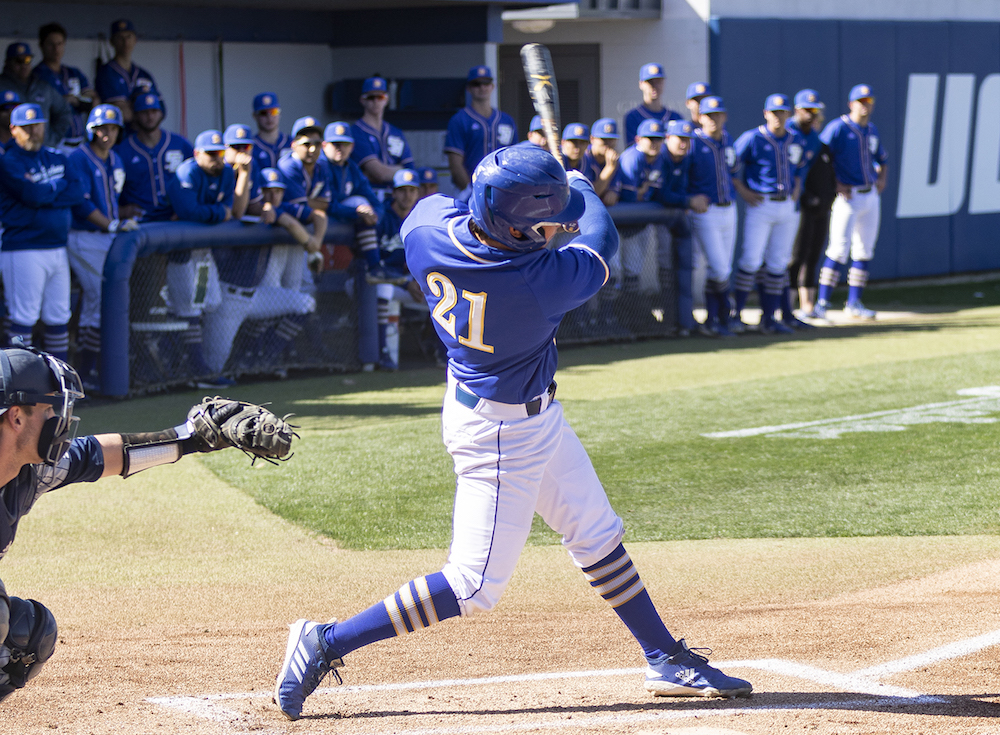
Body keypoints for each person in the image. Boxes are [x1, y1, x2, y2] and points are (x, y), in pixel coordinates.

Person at [273, 144, 752, 721]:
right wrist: (583, 189)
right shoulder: (536, 283)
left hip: (513, 406)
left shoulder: (427, 227)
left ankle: (663, 655)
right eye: (540, 220)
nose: (549, 226)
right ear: (516, 226)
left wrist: (544, 188)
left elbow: (458, 205)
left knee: (596, 533)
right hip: (500, 433)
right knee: (474, 586)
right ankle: (325, 641)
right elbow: (600, 242)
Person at [0, 344, 292, 702]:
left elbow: (105, 454)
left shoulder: (31, 471)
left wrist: (192, 437)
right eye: (51, 410)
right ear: (16, 417)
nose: (61, 421)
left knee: (28, 634)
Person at [201, 168, 317, 375]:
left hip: (255, 296)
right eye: (266, 192)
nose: (272, 197)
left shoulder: (274, 212)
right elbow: (242, 212)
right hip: (227, 297)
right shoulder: (234, 213)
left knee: (306, 304)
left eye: (278, 191)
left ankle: (264, 356)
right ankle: (238, 362)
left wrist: (312, 243)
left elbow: (297, 220)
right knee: (214, 367)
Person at [0, 103, 84, 359]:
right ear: (14, 129)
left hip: (57, 248)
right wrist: (57, 188)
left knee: (58, 316)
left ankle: (58, 386)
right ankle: (17, 387)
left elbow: (77, 191)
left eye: (37, 125)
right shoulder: (8, 160)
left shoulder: (55, 156)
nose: (34, 131)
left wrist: (47, 192)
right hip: (24, 248)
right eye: (26, 127)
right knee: (23, 318)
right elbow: (32, 194)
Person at [66, 104, 135, 389]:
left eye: (113, 128)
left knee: (101, 300)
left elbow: (114, 198)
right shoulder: (78, 158)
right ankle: (85, 371)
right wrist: (110, 224)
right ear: (92, 130)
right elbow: (80, 204)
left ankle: (89, 370)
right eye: (102, 129)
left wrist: (117, 222)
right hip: (84, 236)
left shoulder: (116, 159)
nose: (107, 134)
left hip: (107, 234)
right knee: (99, 298)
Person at [810, 84, 888, 321]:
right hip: (847, 196)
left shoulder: (871, 130)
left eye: (868, 101)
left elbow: (883, 158)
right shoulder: (838, 128)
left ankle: (854, 302)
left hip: (869, 193)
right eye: (861, 101)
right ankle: (822, 303)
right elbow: (820, 157)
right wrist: (835, 183)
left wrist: (882, 178)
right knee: (838, 249)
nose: (865, 105)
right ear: (851, 103)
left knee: (864, 250)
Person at [164, 129, 234, 386]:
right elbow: (188, 212)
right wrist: (218, 213)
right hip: (176, 251)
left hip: (202, 250)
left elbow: (229, 208)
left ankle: (192, 364)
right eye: (211, 154)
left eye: (221, 153)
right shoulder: (187, 172)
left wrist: (212, 212)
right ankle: (195, 368)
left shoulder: (227, 172)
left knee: (210, 300)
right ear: (197, 154)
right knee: (187, 306)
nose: (217, 159)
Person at [731, 94, 806, 334]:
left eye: (782, 112)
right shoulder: (752, 137)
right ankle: (736, 314)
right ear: (766, 113)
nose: (778, 116)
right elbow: (729, 165)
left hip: (786, 204)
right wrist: (743, 189)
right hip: (760, 204)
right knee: (751, 259)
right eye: (774, 112)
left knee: (778, 262)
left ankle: (769, 318)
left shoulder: (794, 139)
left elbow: (800, 167)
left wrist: (797, 185)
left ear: (788, 114)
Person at [687, 95, 739, 337]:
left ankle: (713, 319)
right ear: (700, 117)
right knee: (719, 268)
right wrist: (689, 199)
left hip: (729, 208)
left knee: (722, 267)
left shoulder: (728, 139)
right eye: (709, 115)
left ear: (725, 116)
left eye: (717, 114)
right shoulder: (694, 142)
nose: (714, 119)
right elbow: (682, 176)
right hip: (705, 211)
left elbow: (735, 170)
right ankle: (723, 315)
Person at [652, 119, 708, 336]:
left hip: (677, 217)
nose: (684, 144)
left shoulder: (685, 160)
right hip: (657, 217)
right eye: (679, 139)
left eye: (687, 140)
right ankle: (670, 317)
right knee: (665, 263)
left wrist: (688, 200)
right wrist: (687, 201)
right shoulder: (661, 158)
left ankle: (684, 317)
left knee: (686, 263)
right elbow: (660, 193)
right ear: (668, 139)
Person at [371, 168, 425, 371]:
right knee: (383, 291)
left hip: (410, 285)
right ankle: (381, 353)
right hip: (373, 283)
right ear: (393, 193)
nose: (407, 195)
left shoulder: (421, 220)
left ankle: (444, 354)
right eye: (402, 190)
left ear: (418, 193)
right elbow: (374, 268)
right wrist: (405, 282)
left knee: (446, 297)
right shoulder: (381, 218)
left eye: (412, 190)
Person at [787, 90, 835, 317]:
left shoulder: (816, 141)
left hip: (812, 204)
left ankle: (807, 307)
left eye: (815, 111)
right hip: (788, 204)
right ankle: (783, 307)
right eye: (808, 110)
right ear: (797, 110)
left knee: (812, 253)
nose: (812, 115)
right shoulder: (787, 133)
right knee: (793, 256)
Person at [114, 92, 193, 223]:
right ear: (136, 115)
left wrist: (188, 208)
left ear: (161, 113)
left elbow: (198, 178)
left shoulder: (180, 144)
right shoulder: (122, 149)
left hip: (175, 218)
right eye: (144, 112)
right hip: (140, 220)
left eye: (154, 111)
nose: (150, 116)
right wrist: (122, 210)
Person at [443, 65, 517, 198]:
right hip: (469, 191)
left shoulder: (507, 120)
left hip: (503, 191)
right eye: (476, 84)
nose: (482, 87)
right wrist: (470, 191)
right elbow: (455, 163)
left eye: (486, 83)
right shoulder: (459, 120)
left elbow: (514, 159)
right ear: (469, 88)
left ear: (492, 86)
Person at [322, 121, 382, 274]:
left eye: (344, 144)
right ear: (324, 145)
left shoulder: (351, 167)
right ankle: (374, 266)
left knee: (365, 205)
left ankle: (372, 268)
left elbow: (375, 203)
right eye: (335, 143)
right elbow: (327, 204)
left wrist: (374, 215)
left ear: (352, 146)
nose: (340, 148)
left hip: (344, 221)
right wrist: (356, 212)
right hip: (320, 222)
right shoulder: (320, 166)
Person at [278, 116, 330, 281]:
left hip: (304, 234)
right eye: (306, 144)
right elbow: (302, 204)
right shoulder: (287, 166)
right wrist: (313, 203)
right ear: (293, 145)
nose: (312, 149)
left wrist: (314, 245)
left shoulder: (322, 166)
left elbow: (325, 204)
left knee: (300, 285)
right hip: (278, 232)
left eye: (317, 144)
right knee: (276, 286)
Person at [33, 23, 98, 151]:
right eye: (51, 44)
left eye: (59, 44)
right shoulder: (37, 76)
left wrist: (76, 100)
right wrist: (62, 101)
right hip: (55, 143)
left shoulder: (73, 73)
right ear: (42, 46)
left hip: (80, 141)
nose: (56, 49)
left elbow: (94, 100)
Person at [349, 76, 414, 202]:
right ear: (363, 100)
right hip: (370, 196)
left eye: (380, 97)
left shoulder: (396, 132)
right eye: (371, 97)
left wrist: (399, 171)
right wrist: (399, 169)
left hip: (397, 198)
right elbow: (379, 173)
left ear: (387, 99)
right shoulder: (356, 131)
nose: (376, 101)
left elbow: (410, 171)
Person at [0, 43, 71, 149]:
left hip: (42, 149)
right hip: (9, 150)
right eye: (18, 61)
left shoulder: (42, 86)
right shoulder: (1, 86)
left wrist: (51, 138)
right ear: (8, 63)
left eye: (27, 60)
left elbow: (64, 111)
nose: (23, 65)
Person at [94, 19, 159, 127]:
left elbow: (160, 109)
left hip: (142, 137)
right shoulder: (106, 72)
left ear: (135, 39)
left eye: (129, 37)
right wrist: (144, 109)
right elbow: (125, 114)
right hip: (118, 136)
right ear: (112, 41)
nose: (125, 42)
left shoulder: (143, 74)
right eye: (120, 38)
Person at [623, 63, 682, 145]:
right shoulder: (633, 117)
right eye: (650, 82)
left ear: (663, 83)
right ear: (641, 84)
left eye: (658, 82)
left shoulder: (675, 117)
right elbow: (633, 150)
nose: (655, 86)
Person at [618, 118, 667, 204]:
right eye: (651, 139)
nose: (655, 143)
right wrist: (642, 191)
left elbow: (659, 193)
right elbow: (627, 195)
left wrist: (642, 191)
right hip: (624, 210)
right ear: (638, 140)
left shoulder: (660, 157)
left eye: (658, 139)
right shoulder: (632, 158)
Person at [222, 123, 260, 220]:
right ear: (225, 148)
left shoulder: (252, 164)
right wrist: (244, 173)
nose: (242, 151)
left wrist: (266, 209)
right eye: (236, 146)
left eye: (246, 146)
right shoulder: (220, 168)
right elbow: (236, 212)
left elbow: (253, 204)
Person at [581, 117, 621, 207]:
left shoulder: (615, 158)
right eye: (603, 139)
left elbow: (615, 190)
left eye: (611, 139)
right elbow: (590, 196)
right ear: (592, 139)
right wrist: (609, 168)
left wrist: (613, 191)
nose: (608, 143)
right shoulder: (584, 158)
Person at [250, 92, 290, 170]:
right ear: (255, 116)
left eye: (273, 111)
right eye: (263, 113)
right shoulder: (251, 146)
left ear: (280, 113)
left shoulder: (291, 142)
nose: (269, 117)